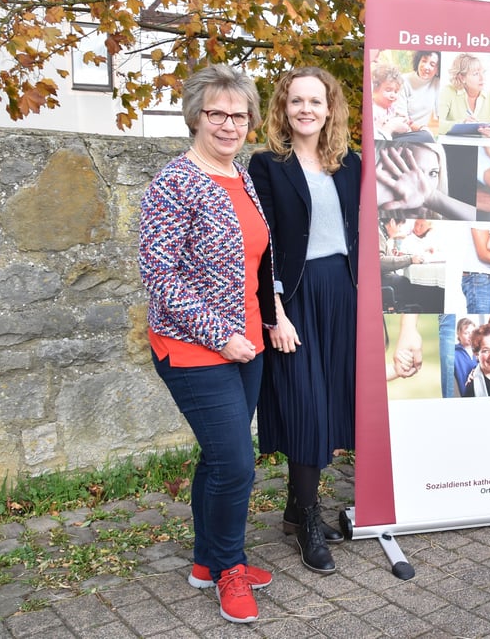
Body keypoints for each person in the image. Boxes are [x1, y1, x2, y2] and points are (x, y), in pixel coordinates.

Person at [138, 64, 271, 623]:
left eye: (238, 115)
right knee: (237, 463)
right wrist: (224, 336)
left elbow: (259, 263)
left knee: (220, 458)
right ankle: (228, 567)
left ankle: (203, 561)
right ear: (196, 116)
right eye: (216, 113)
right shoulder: (174, 183)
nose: (227, 124)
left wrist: (265, 326)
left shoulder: (242, 178)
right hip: (197, 349)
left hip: (248, 342)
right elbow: (160, 279)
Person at [248, 66, 361, 576]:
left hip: (344, 293)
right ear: (284, 108)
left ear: (330, 108)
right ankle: (309, 519)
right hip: (296, 297)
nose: (307, 110)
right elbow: (262, 245)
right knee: (306, 407)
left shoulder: (351, 163)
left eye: (316, 101)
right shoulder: (268, 165)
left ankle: (296, 510)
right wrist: (275, 313)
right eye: (297, 101)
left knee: (333, 403)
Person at [437, 53, 490, 137]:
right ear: (462, 78)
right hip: (453, 147)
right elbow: (436, 125)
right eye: (476, 74)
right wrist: (462, 124)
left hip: (483, 148)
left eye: (483, 72)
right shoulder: (448, 92)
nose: (482, 78)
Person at [400, 50, 440, 133]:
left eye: (432, 65)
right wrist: (421, 129)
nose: (426, 67)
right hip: (402, 131)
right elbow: (401, 117)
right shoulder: (404, 81)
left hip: (420, 133)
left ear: (437, 70)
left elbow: (441, 114)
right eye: (424, 61)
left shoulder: (437, 83)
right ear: (418, 61)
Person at [371, 63, 410, 140]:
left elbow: (394, 115)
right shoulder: (373, 110)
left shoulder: (391, 107)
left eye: (396, 91)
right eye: (388, 90)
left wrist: (401, 117)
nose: (393, 95)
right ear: (376, 89)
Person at [453, 317, 478, 394]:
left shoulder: (479, 350)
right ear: (458, 333)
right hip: (464, 395)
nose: (470, 336)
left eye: (472, 332)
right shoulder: (453, 354)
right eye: (466, 333)